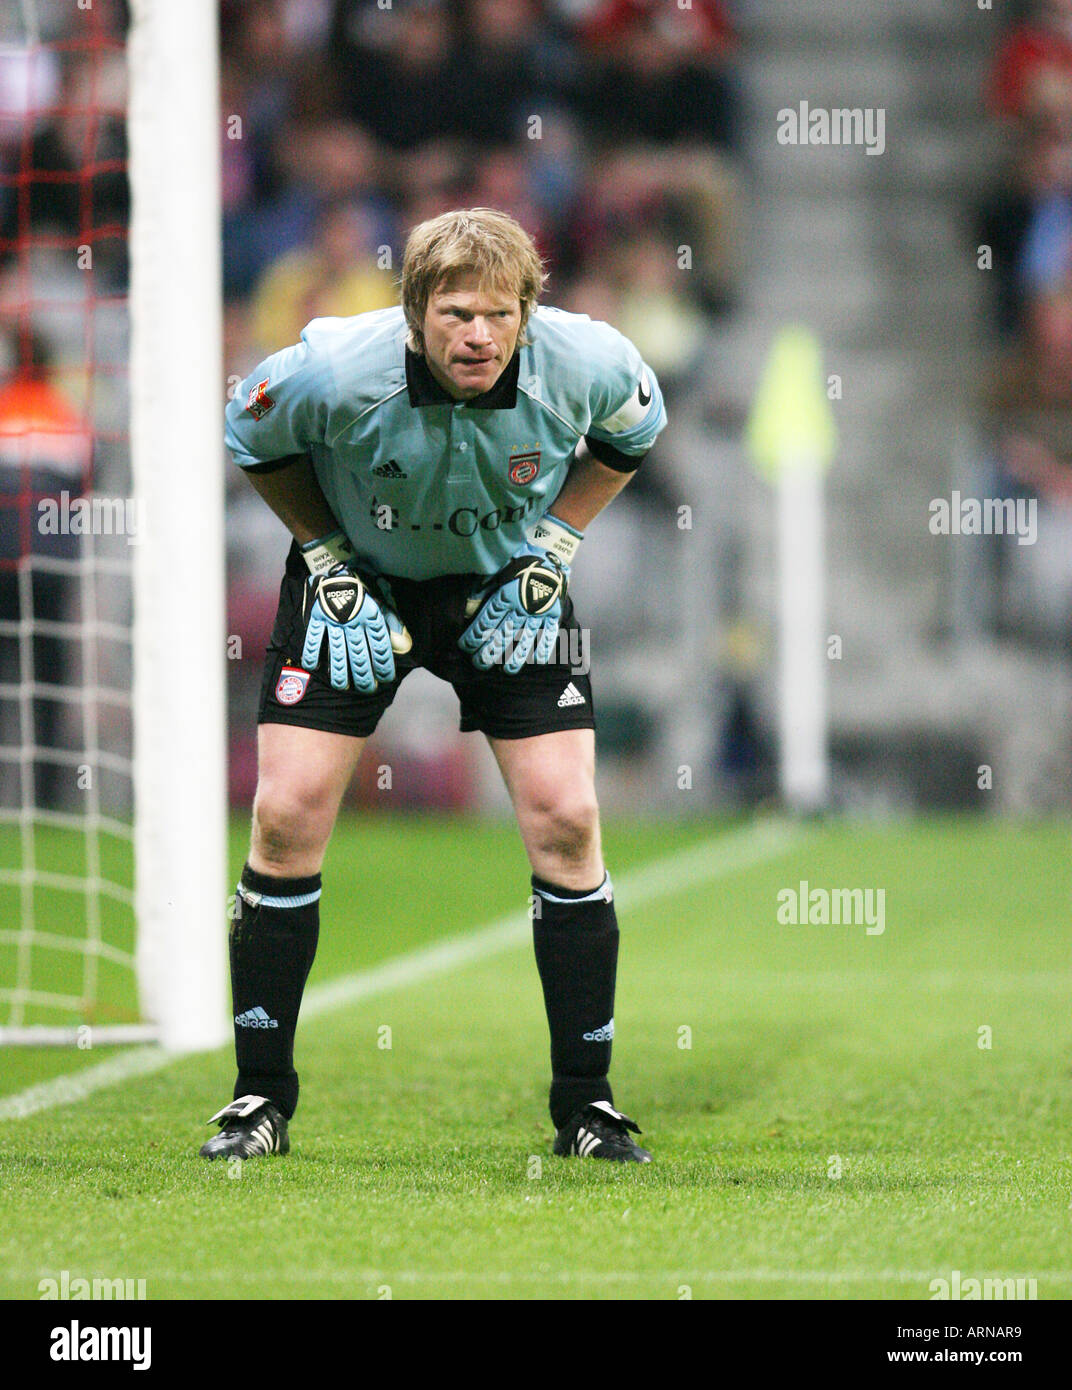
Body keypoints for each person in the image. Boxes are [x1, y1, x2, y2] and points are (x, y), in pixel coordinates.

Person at [201, 207, 666, 1163]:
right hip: (354, 580)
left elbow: (636, 430)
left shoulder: (589, 359)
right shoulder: (333, 367)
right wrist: (325, 557)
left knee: (569, 819)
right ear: (414, 313)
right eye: (455, 312)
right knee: (285, 816)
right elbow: (248, 434)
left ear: (529, 313)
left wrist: (555, 549)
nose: (479, 334)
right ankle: (257, 1103)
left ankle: (588, 1106)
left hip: (512, 585)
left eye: (500, 314)